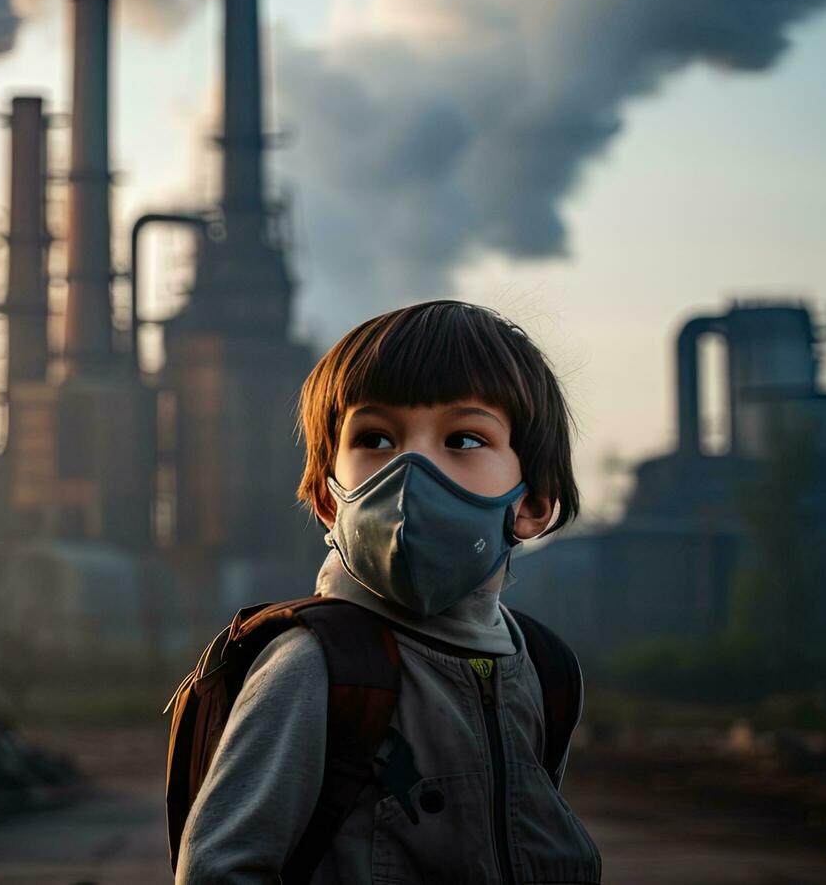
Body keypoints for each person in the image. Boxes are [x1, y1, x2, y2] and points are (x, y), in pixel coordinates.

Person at [174, 299, 603, 884]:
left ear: (532, 505)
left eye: (465, 440)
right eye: (375, 438)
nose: (410, 470)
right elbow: (220, 870)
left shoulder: (544, 669)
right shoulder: (316, 667)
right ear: (329, 501)